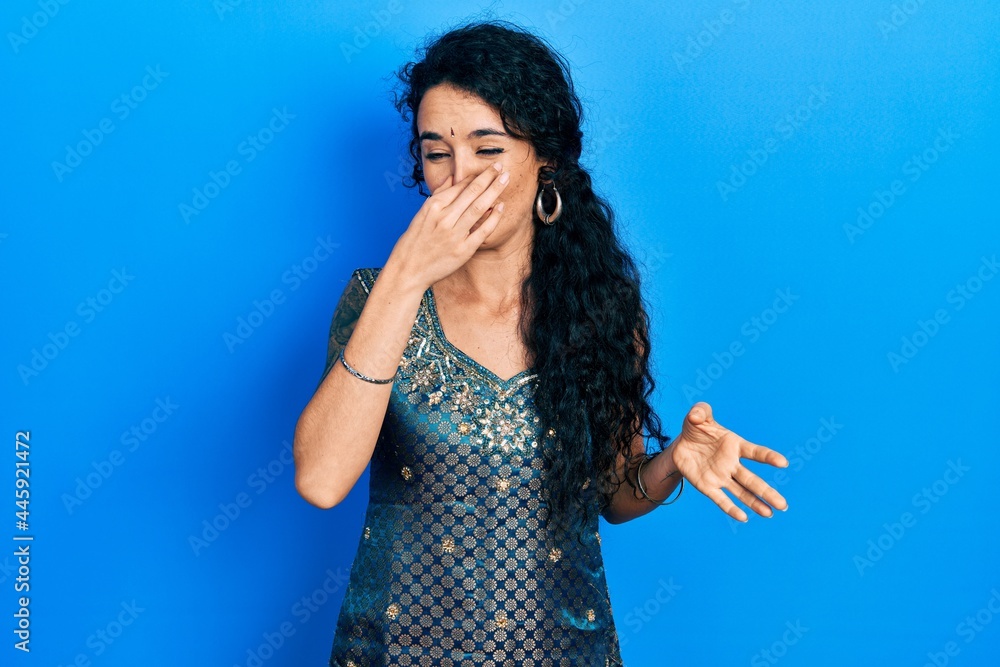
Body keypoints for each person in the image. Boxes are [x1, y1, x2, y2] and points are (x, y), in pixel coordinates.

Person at [293, 18, 790, 667]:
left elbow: (613, 494)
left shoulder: (596, 310)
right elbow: (322, 479)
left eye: (487, 148)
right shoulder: (377, 298)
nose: (458, 176)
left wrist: (673, 465)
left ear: (544, 157)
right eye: (436, 152)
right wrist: (407, 275)